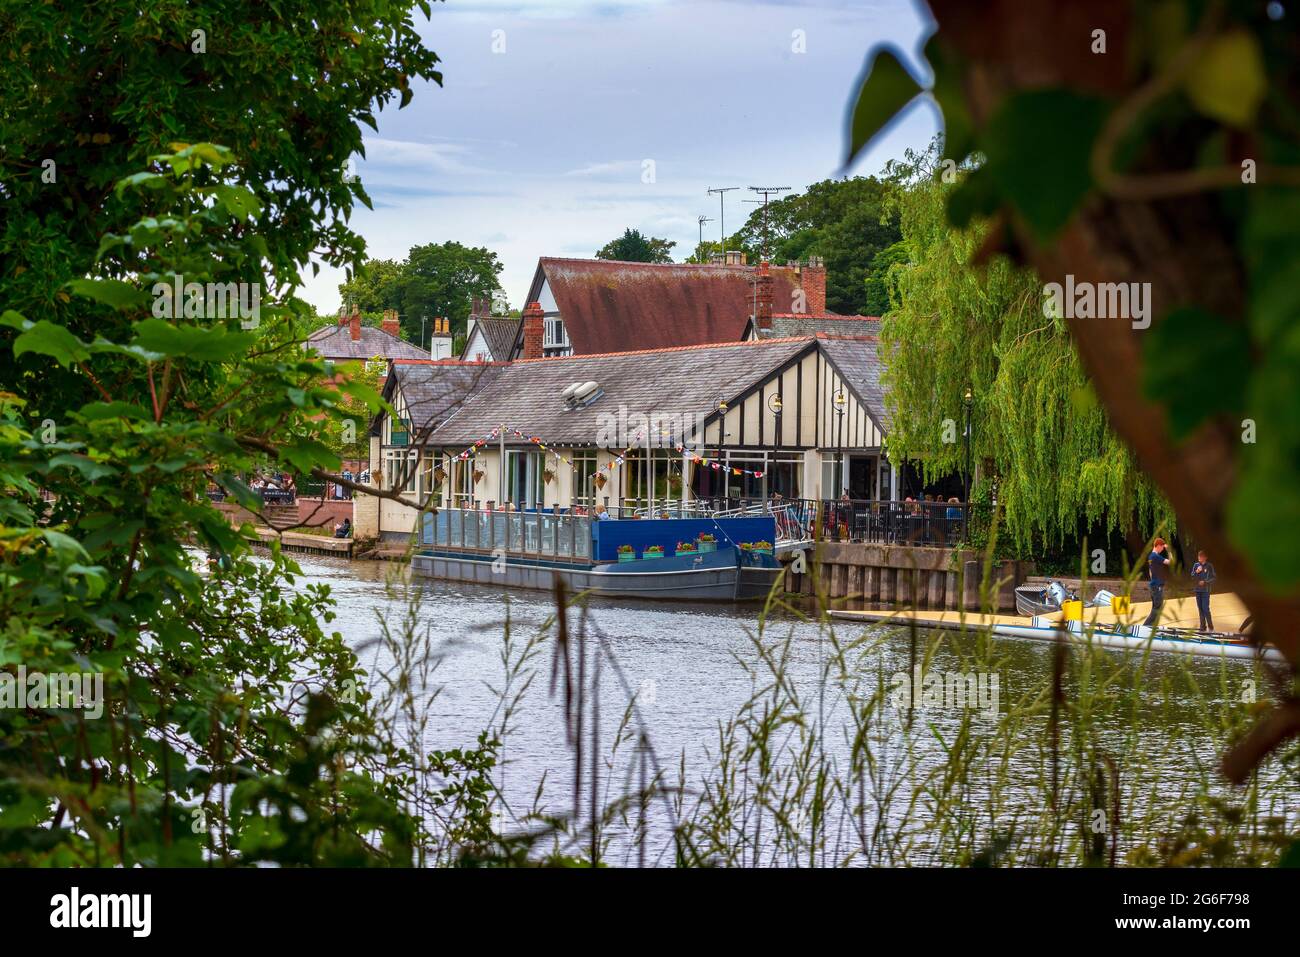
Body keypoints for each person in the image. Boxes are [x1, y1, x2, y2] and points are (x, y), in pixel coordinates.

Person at [1143, 538, 1171, 627]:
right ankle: (1145, 627)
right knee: (1156, 609)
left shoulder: (1150, 557)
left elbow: (1150, 572)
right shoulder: (1156, 556)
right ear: (1158, 546)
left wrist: (1154, 581)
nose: (1162, 549)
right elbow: (1170, 562)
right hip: (1157, 587)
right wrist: (1169, 551)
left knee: (1155, 609)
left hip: (1153, 586)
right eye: (1162, 547)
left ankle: (1151, 627)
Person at [1191, 549, 1216, 631]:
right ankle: (1202, 626)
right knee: (1200, 608)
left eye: (1201, 556)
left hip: (1206, 590)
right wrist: (1197, 571)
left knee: (1205, 608)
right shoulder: (1196, 565)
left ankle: (1210, 625)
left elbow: (1214, 578)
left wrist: (1205, 582)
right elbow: (1192, 576)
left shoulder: (1209, 566)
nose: (1199, 558)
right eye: (1199, 556)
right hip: (1197, 590)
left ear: (1205, 557)